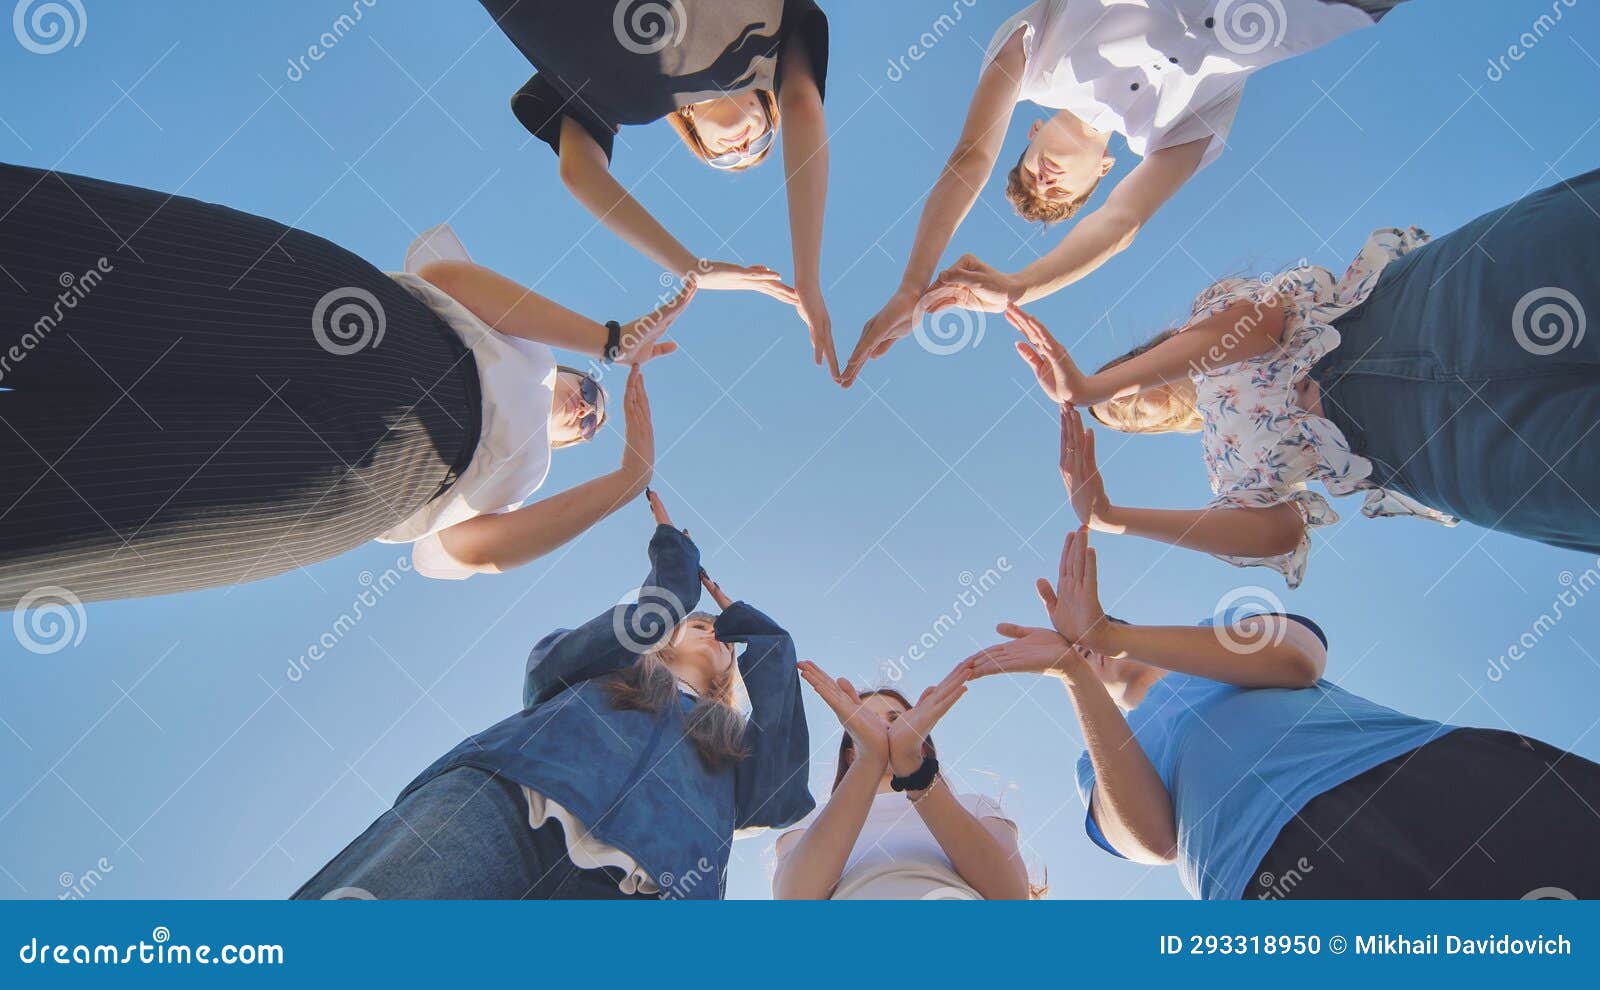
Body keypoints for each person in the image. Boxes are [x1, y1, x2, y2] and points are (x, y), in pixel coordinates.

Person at [0, 164, 692, 608]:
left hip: (358, 486)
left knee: (74, 507)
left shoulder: (520, 479)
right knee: (87, 268)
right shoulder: (529, 351)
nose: (588, 410)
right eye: (592, 392)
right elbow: (448, 282)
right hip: (362, 325)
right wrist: (607, 339)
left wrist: (626, 483)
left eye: (592, 425)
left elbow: (473, 552)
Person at [1009, 169, 1600, 587]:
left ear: (1145, 357)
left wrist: (1090, 389)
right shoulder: (1228, 466)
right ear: (1157, 430)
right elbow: (1276, 535)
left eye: (1124, 389)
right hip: (1441, 449)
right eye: (1125, 415)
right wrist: (1112, 519)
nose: (1131, 401)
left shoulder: (1211, 316)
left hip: (1427, 310)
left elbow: (1264, 324)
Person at [964, 528, 1600, 899]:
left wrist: (1106, 633)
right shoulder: (1098, 754)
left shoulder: (1217, 631)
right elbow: (1153, 839)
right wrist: (1077, 674)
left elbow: (1297, 659)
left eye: (1088, 643)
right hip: (1268, 879)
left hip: (1415, 774)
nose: (1081, 648)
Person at [843, 0, 1412, 386]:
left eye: (1027, 172)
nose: (1043, 181)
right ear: (1106, 172)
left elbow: (972, 156)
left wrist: (913, 285)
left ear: (1031, 131)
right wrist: (1019, 285)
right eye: (1063, 197)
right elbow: (1120, 225)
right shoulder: (1169, 134)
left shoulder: (1033, 59)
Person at [293, 491, 813, 899]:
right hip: (499, 811)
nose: (712, 631)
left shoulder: (731, 745)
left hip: (647, 889)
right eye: (697, 623)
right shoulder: (613, 667)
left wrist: (766, 640)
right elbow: (549, 664)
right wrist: (675, 586)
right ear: (668, 632)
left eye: (724, 635)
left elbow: (781, 795)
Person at [475, 0, 839, 378]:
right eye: (765, 140)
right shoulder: (770, 37)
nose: (743, 149)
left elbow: (579, 174)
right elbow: (802, 104)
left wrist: (689, 268)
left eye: (726, 158)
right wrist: (808, 277)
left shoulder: (615, 102)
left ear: (694, 132)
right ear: (766, 99)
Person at [772, 664, 1030, 900]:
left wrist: (911, 766)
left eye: (895, 718)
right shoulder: (809, 820)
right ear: (851, 755)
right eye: (867, 719)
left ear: (923, 745)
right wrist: (870, 759)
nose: (883, 724)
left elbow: (1011, 897)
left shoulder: (976, 806)